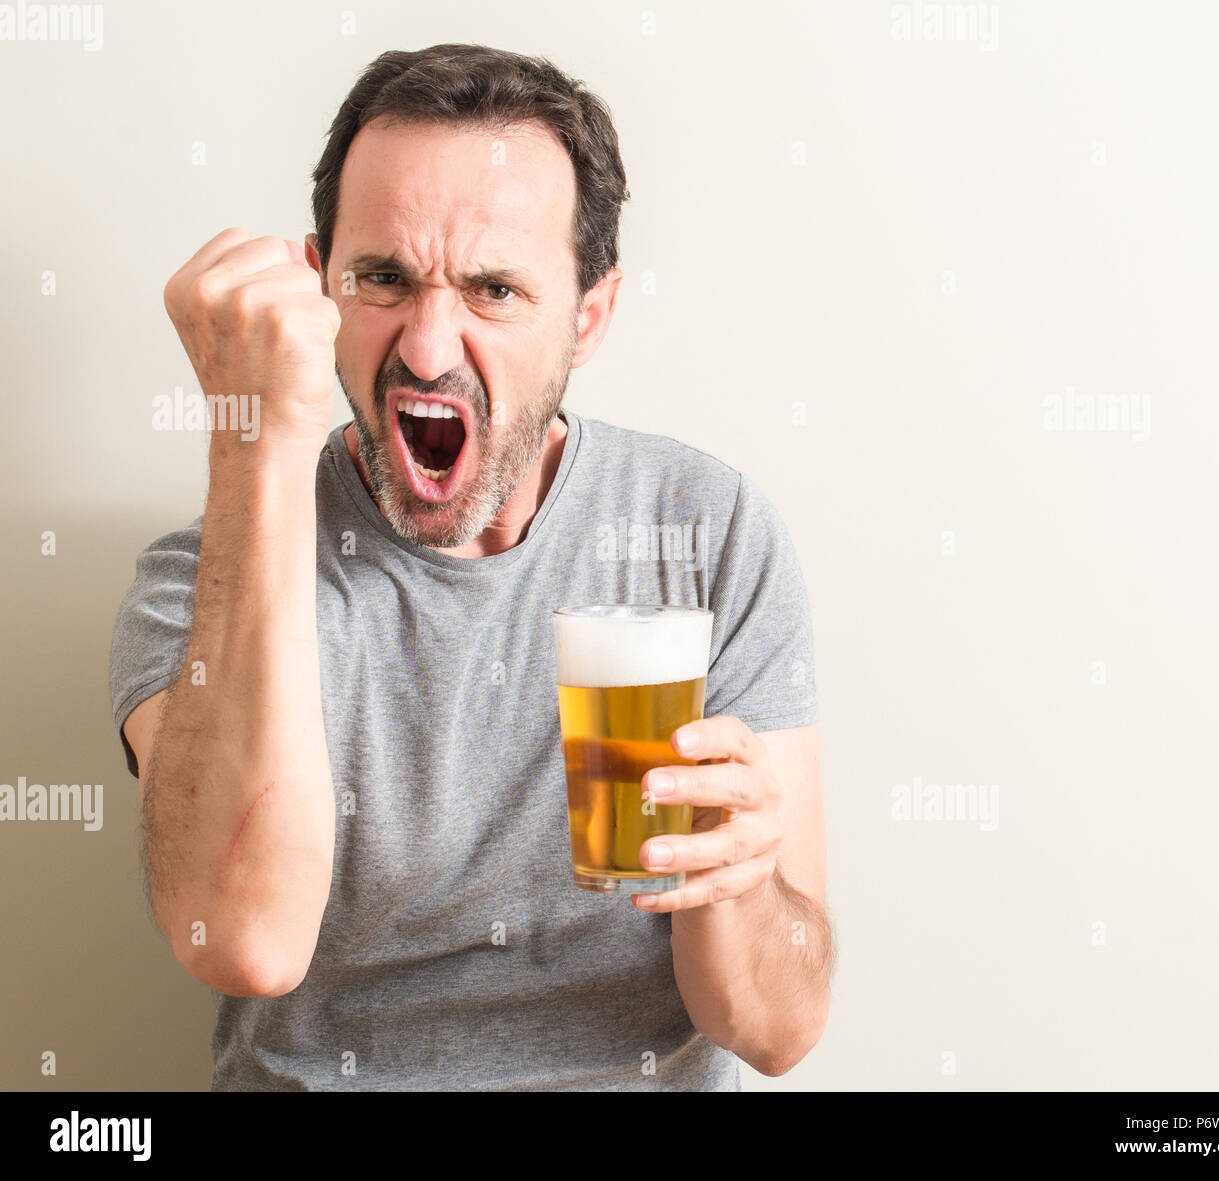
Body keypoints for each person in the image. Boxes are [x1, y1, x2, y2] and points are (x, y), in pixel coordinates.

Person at [110, 43, 831, 1091]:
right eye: (384, 279)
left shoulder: (702, 531)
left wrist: (738, 882)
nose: (429, 346)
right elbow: (243, 942)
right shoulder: (202, 580)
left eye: (493, 288)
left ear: (587, 316)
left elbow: (777, 1029)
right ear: (321, 288)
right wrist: (250, 437)